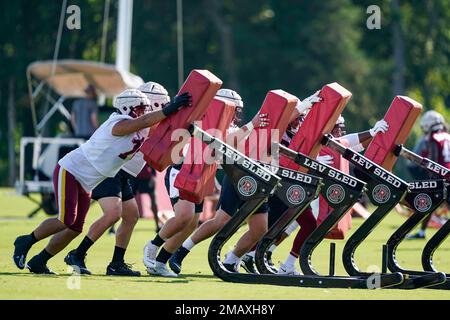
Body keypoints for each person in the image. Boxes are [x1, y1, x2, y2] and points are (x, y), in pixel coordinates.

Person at [12, 88, 192, 274]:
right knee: (66, 220)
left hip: (89, 180)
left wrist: (184, 125)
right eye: (140, 108)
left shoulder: (140, 126)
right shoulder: (116, 123)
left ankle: (39, 261)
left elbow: (160, 128)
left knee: (75, 228)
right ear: (127, 107)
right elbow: (146, 121)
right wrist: (171, 107)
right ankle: (26, 240)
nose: (143, 112)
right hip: (71, 171)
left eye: (145, 108)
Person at [167, 90, 322, 275]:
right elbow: (227, 142)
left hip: (262, 180)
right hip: (239, 177)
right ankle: (181, 252)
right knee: (221, 221)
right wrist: (304, 104)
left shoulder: (288, 134)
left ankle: (232, 260)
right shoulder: (256, 126)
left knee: (259, 230)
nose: (298, 122)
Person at [143, 88, 269, 277]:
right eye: (234, 110)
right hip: (183, 170)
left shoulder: (231, 128)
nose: (237, 115)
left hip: (201, 176)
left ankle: (161, 262)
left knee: (190, 225)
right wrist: (252, 125)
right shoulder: (204, 121)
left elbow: (238, 145)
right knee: (184, 217)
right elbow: (223, 141)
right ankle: (152, 246)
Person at [63, 82, 171, 276]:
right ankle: (77, 254)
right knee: (113, 214)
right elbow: (151, 125)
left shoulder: (147, 120)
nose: (162, 107)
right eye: (161, 104)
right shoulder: (137, 120)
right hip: (111, 170)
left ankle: (116, 263)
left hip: (123, 174)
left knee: (131, 216)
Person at [276, 115, 389, 275]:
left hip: (309, 193)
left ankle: (275, 259)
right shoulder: (313, 139)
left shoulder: (334, 145)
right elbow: (292, 156)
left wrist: (373, 134)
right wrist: (315, 160)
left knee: (298, 225)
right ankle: (263, 257)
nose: (340, 131)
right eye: (337, 128)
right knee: (292, 225)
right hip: (294, 188)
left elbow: (351, 145)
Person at [406, 110, 450, 239]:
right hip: (449, 174)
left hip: (441, 176)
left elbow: (433, 162)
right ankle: (421, 232)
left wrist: (432, 179)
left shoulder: (433, 138)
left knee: (428, 202)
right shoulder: (448, 136)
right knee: (431, 203)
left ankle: (421, 232)